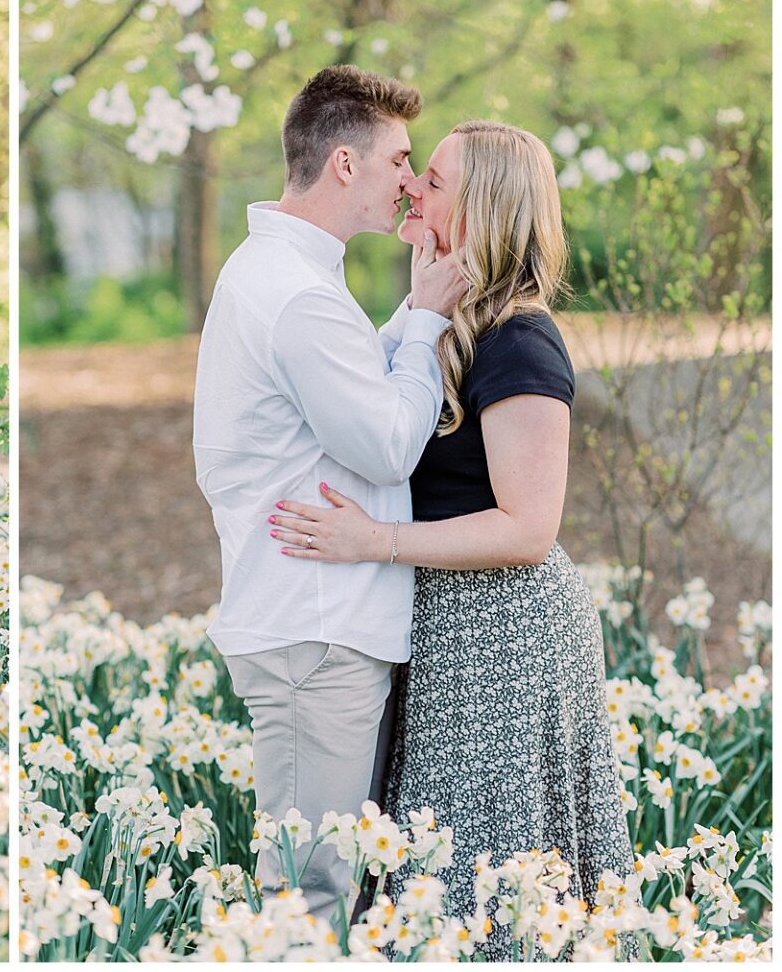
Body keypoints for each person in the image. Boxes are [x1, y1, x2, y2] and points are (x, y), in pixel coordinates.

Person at [269, 120, 634, 954]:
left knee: (482, 872)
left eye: (432, 180)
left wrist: (376, 541)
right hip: (445, 625)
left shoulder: (519, 340)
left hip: (505, 633)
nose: (410, 187)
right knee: (439, 862)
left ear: (482, 209)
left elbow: (529, 528)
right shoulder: (444, 322)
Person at [193, 65, 465, 920]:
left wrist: (410, 315)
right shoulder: (298, 294)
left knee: (321, 884)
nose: (410, 183)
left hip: (311, 624)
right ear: (346, 163)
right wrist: (427, 323)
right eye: (400, 160)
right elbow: (385, 444)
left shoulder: (283, 275)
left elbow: (348, 383)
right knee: (310, 896)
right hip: (314, 633)